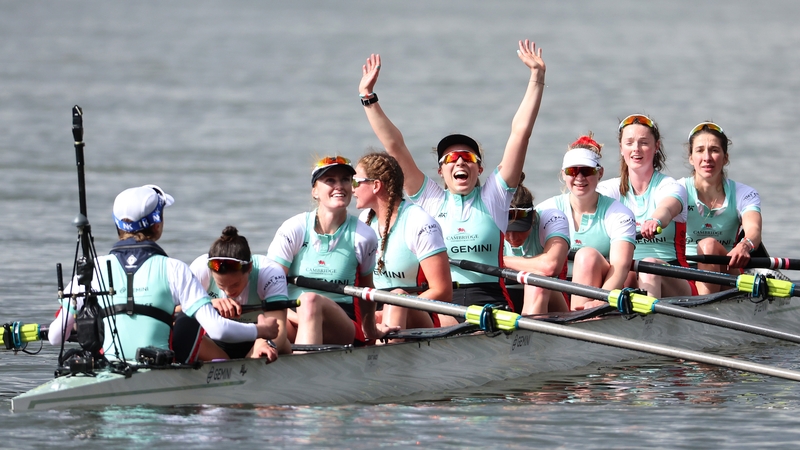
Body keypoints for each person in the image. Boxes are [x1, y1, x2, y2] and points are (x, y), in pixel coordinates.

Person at [358, 39, 546, 313]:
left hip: (489, 305)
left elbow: (520, 133)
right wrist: (368, 97)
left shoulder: (494, 197)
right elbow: (395, 147)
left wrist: (537, 77)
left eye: (468, 157)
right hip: (440, 304)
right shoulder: (430, 200)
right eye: (451, 159)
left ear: (480, 169)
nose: (460, 162)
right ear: (440, 171)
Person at [48, 185, 279, 363]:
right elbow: (218, 328)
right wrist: (262, 330)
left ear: (117, 226)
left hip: (110, 367)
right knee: (188, 319)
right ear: (157, 225)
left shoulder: (92, 269)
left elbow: (56, 337)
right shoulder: (174, 269)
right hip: (159, 369)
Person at [267, 156, 397, 345]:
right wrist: (299, 318)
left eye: (345, 180)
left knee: (310, 301)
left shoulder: (363, 235)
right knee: (272, 328)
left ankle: (304, 368)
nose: (339, 186)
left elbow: (367, 292)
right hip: (293, 315)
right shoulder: (293, 229)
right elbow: (270, 288)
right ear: (315, 191)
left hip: (341, 321)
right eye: (330, 180)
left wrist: (371, 330)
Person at [596, 115, 695, 298]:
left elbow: (667, 207)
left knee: (649, 265)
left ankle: (649, 325)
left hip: (674, 276)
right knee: (593, 259)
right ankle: (585, 313)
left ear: (656, 146)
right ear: (621, 148)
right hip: (627, 273)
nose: (636, 149)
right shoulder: (607, 189)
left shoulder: (671, 186)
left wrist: (655, 219)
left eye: (643, 143)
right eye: (630, 143)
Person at [354, 151, 453, 330]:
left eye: (356, 182)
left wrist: (387, 311)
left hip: (418, 313)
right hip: (375, 311)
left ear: (376, 185)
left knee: (397, 297)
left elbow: (443, 291)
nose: (351, 189)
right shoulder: (364, 220)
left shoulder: (419, 222)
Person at [537, 134, 637, 310]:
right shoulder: (545, 210)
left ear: (600, 173)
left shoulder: (618, 214)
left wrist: (601, 299)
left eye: (587, 171)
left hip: (599, 293)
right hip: (557, 291)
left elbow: (621, 267)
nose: (580, 178)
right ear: (563, 174)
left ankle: (579, 319)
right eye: (572, 171)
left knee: (586, 256)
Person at [680, 122, 762, 294]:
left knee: (708, 245)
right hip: (682, 271)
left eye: (715, 150)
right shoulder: (676, 190)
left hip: (727, 270)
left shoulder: (743, 193)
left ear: (725, 158)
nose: (707, 157)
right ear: (691, 157)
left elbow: (754, 230)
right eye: (700, 150)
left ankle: (703, 311)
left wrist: (745, 245)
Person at [189, 226, 292, 358]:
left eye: (235, 284)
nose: (228, 291)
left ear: (249, 268)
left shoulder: (269, 272)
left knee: (279, 345)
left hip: (258, 339)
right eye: (221, 285)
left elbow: (278, 327)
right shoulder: (201, 268)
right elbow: (176, 309)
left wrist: (258, 351)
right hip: (214, 343)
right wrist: (207, 303)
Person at [502, 173, 571, 315]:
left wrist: (501, 260)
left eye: (520, 230)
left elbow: (550, 266)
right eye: (506, 231)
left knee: (537, 281)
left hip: (549, 301)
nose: (512, 237)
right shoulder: (488, 223)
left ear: (533, 216)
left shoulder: (551, 218)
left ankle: (529, 336)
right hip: (502, 300)